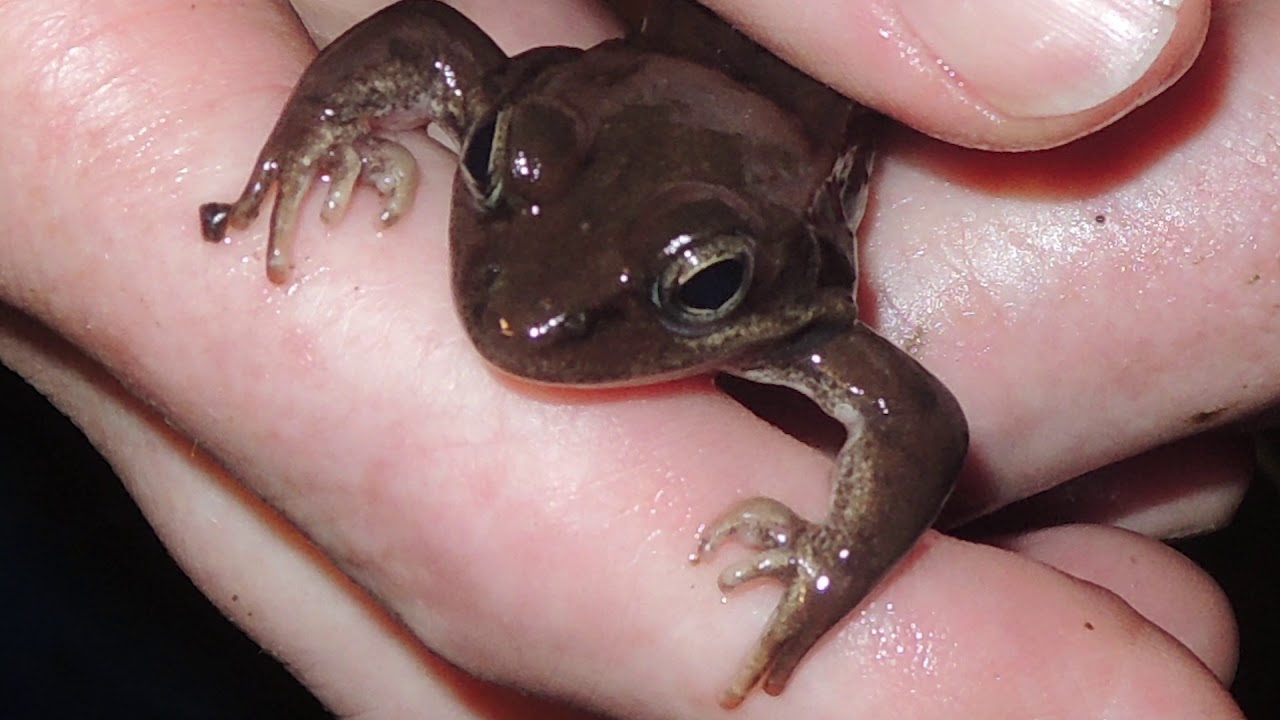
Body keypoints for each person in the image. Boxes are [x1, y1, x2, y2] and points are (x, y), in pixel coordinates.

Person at [0, 0, 1261, 716]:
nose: (519, 316)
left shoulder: (809, 310)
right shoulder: (532, 131)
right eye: (498, 168)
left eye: (698, 287)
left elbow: (916, 418)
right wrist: (310, 122)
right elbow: (444, 45)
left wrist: (829, 568)